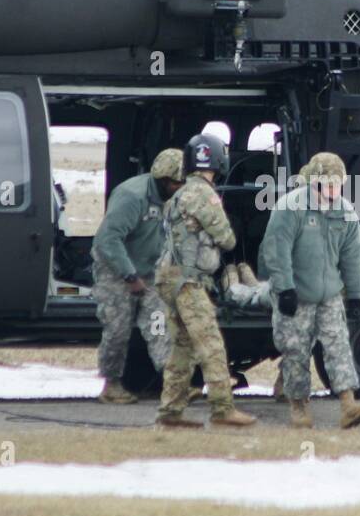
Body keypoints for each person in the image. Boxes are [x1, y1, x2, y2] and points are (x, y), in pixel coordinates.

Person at [260, 152, 360, 430]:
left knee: (338, 346)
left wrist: (356, 293)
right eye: (329, 185)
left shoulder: (345, 212)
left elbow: (352, 255)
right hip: (295, 294)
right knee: (295, 350)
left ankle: (348, 404)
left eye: (339, 185)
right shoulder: (290, 208)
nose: (335, 191)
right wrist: (285, 289)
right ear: (315, 184)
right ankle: (299, 407)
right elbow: (277, 251)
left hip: (329, 295)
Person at [153, 132, 256, 428]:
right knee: (210, 343)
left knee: (183, 346)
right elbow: (227, 239)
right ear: (218, 159)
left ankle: (170, 411)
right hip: (188, 281)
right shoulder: (205, 194)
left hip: (169, 278)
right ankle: (222, 408)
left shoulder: (178, 194)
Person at [92, 148, 184, 404]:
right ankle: (111, 384)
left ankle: (173, 384)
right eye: (177, 182)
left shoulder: (174, 199)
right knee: (118, 328)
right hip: (115, 268)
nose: (181, 187)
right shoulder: (132, 196)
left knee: (160, 324)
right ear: (163, 179)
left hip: (149, 269)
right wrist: (129, 276)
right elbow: (107, 239)